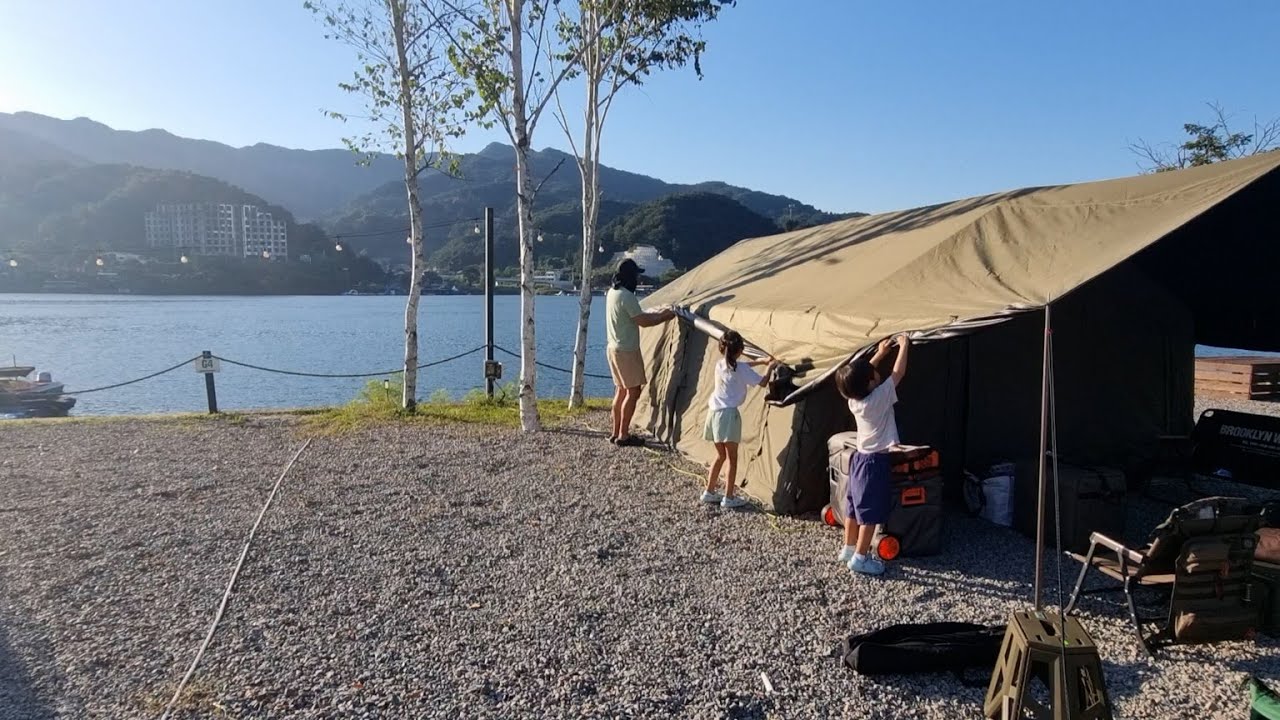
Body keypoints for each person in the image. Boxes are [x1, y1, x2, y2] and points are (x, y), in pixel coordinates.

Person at [835, 333, 910, 576]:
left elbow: (858, 377)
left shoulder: (852, 400)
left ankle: (848, 547)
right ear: (870, 383)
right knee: (869, 513)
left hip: (859, 459)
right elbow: (897, 374)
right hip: (875, 462)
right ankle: (860, 557)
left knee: (854, 507)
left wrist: (880, 353)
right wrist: (904, 346)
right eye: (872, 374)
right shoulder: (878, 399)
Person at [701, 331, 778, 509]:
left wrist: (760, 361)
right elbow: (763, 382)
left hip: (713, 414)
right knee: (732, 459)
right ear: (740, 350)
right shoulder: (740, 369)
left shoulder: (720, 364)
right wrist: (770, 367)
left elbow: (740, 366)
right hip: (728, 416)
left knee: (720, 456)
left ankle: (709, 491)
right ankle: (728, 497)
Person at [606, 258, 675, 446]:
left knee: (621, 390)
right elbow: (643, 320)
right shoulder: (627, 296)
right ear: (630, 276)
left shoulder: (612, 293)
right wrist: (665, 315)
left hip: (613, 347)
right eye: (636, 274)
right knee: (633, 392)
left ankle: (615, 432)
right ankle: (623, 435)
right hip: (627, 350)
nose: (638, 278)